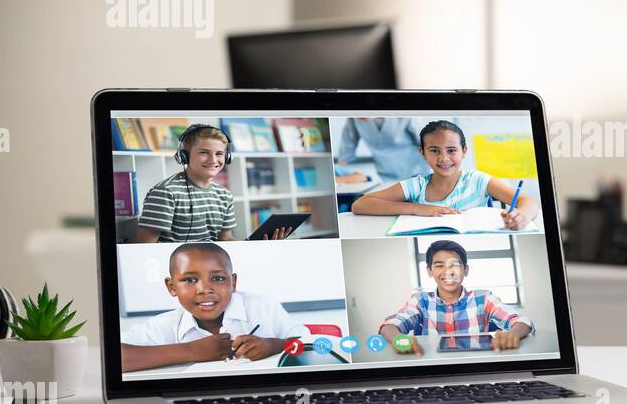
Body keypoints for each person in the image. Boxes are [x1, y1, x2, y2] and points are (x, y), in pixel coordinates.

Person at [120, 242, 308, 372]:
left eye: (218, 279)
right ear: (172, 287)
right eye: (189, 280)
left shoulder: (263, 307)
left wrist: (273, 345)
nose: (205, 289)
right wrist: (190, 351)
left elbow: (313, 343)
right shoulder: (165, 325)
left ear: (233, 282)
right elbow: (116, 357)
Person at [350, 120, 539, 229]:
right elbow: (360, 205)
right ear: (422, 152)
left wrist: (522, 216)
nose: (443, 158)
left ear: (464, 151)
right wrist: (417, 208)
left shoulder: (478, 180)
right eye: (434, 150)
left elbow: (528, 202)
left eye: (451, 150)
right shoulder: (416, 185)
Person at [379, 240, 533, 353]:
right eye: (439, 265)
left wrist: (512, 335)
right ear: (429, 271)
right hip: (431, 370)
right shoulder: (420, 300)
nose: (448, 271)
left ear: (465, 270)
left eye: (455, 265)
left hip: (477, 369)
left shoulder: (483, 299)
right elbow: (390, 326)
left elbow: (522, 321)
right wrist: (399, 340)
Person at [135, 125, 238, 243]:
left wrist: (255, 245)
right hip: (173, 261)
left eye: (219, 153)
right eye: (204, 152)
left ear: (227, 157)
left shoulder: (225, 195)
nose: (213, 160)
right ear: (184, 156)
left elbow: (225, 238)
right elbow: (143, 246)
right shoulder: (166, 192)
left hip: (212, 260)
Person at [335, 116, 432, 184]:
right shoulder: (354, 118)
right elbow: (347, 144)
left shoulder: (404, 113)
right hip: (386, 173)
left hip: (416, 170)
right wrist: (337, 171)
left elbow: (426, 142)